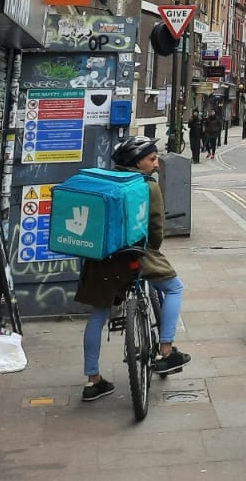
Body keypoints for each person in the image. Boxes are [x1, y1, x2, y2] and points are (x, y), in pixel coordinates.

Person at [75, 136, 190, 402]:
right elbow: (156, 226)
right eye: (151, 159)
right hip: (136, 255)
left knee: (98, 314)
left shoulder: (103, 180)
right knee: (174, 288)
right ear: (136, 162)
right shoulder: (147, 186)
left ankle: (92, 380)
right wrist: (154, 250)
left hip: (102, 258)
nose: (157, 164)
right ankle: (166, 349)